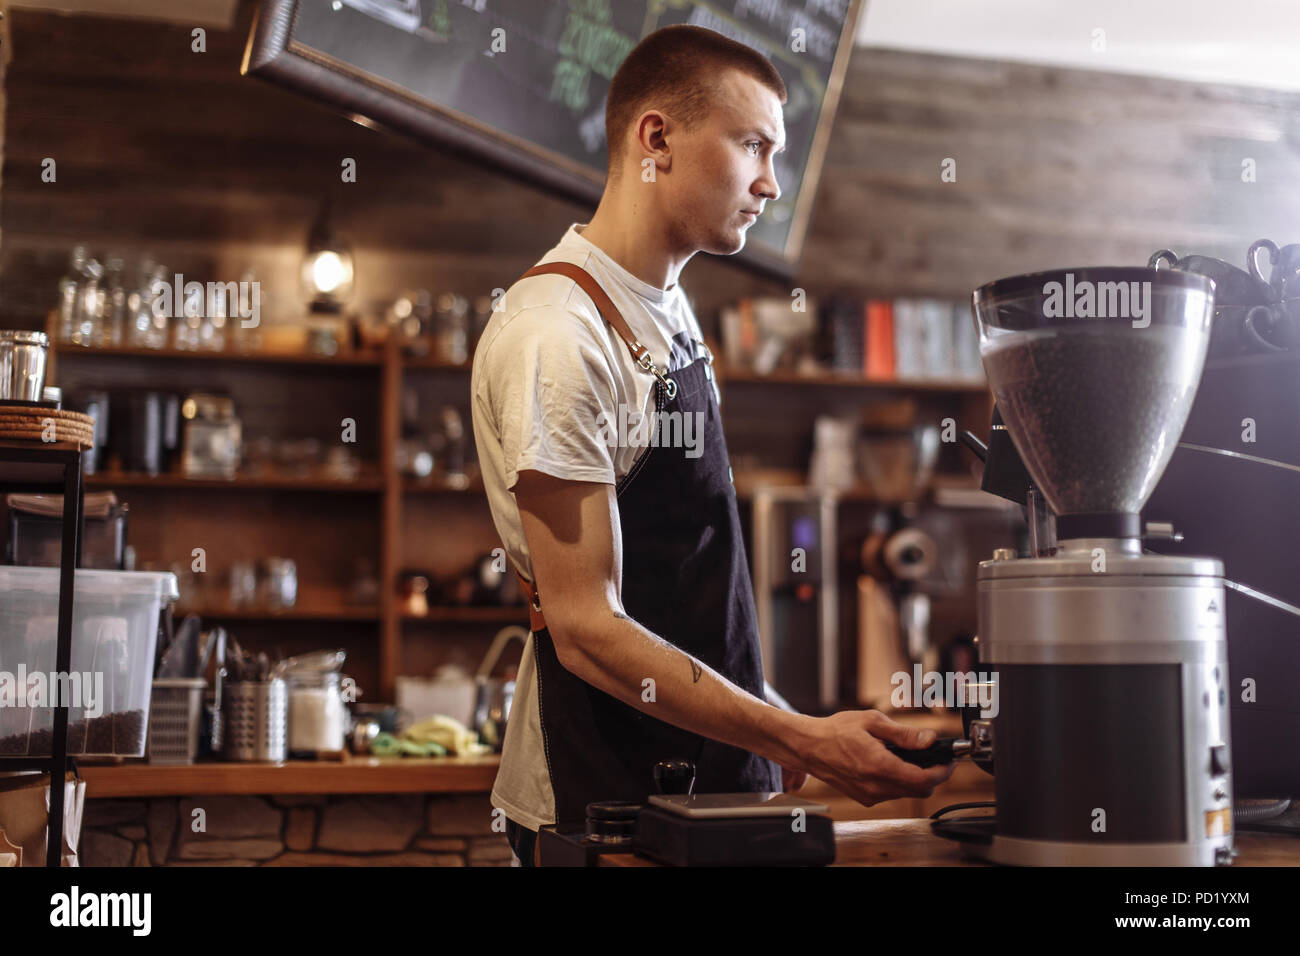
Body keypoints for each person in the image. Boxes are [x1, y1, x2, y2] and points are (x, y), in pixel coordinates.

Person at [469, 24, 953, 868]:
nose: (771, 182)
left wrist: (783, 729)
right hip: (606, 798)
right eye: (753, 145)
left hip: (711, 784)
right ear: (656, 138)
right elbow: (586, 626)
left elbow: (687, 571)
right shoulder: (560, 334)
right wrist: (797, 736)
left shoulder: (671, 308)